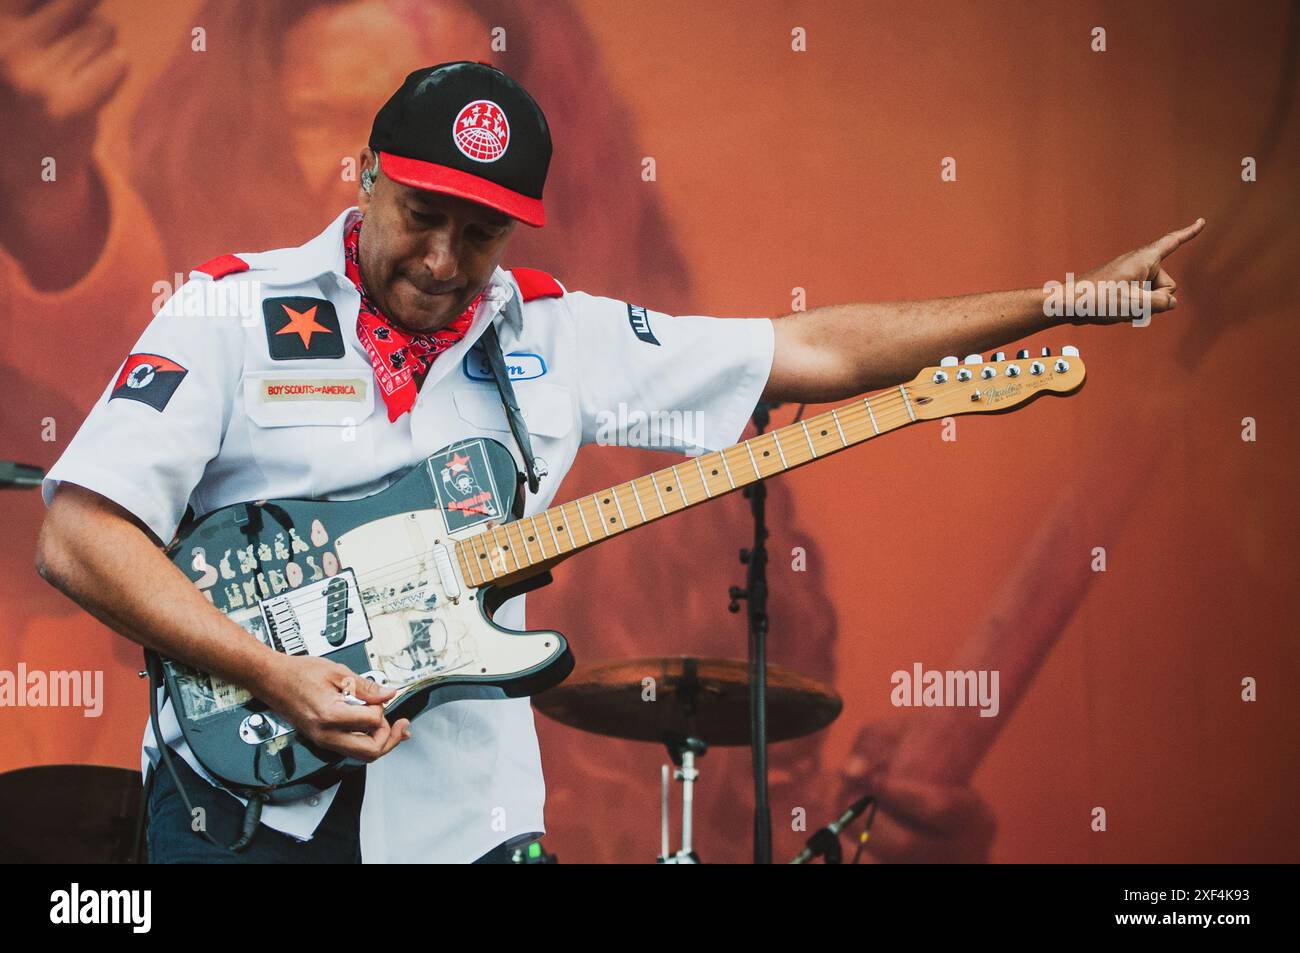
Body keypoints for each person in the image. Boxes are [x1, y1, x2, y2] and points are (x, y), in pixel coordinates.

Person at [34, 60, 1204, 863]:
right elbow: (77, 530)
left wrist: (1062, 300)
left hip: (465, 824)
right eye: (421, 215)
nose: (444, 259)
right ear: (366, 174)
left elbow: (810, 346)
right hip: (234, 812)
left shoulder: (559, 334)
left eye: (480, 231)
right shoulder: (229, 312)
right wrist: (272, 669)